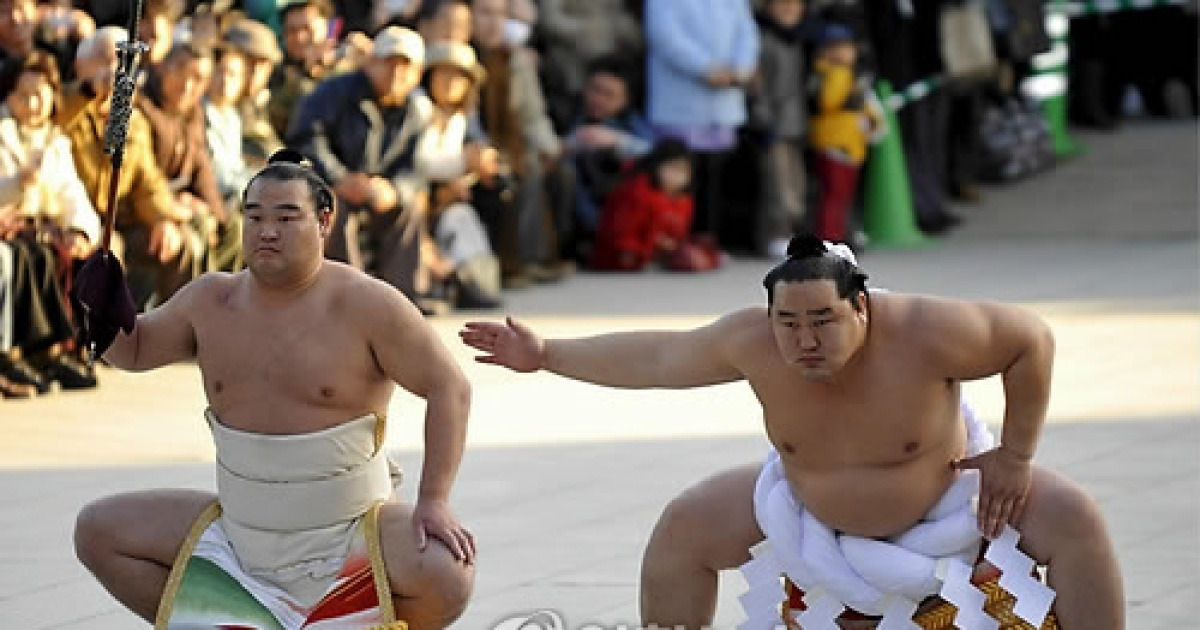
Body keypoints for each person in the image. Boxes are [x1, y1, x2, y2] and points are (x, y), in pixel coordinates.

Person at [460, 235, 1124, 629]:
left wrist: (1016, 454)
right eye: (788, 322)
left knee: (1076, 519)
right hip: (809, 509)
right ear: (768, 314)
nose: (804, 341)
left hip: (950, 502)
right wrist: (546, 354)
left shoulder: (927, 331)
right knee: (684, 527)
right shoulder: (752, 342)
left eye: (823, 321)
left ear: (861, 306)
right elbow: (658, 360)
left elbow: (1030, 342)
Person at [72, 152, 476, 629]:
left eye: (287, 217)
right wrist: (103, 307)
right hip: (241, 532)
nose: (267, 231)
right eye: (255, 216)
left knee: (448, 571)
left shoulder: (368, 303)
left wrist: (434, 499)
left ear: (324, 221)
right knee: (99, 531)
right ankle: (233, 621)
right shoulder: (210, 299)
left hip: (349, 530)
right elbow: (134, 351)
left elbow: (450, 387)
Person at [288, 25, 432, 301]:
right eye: (388, 63)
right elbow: (306, 138)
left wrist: (393, 190)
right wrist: (338, 177)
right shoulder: (332, 92)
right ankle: (350, 298)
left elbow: (414, 169)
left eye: (405, 67)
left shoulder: (414, 114)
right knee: (332, 208)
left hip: (374, 191)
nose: (396, 73)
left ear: (417, 74)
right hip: (325, 183)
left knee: (409, 207)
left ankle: (400, 300)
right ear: (372, 62)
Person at [590, 138, 717, 273]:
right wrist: (656, 243)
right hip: (626, 256)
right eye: (671, 168)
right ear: (656, 166)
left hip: (659, 255)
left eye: (683, 171)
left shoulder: (684, 200)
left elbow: (679, 235)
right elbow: (620, 234)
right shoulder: (637, 192)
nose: (677, 176)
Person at [806, 24, 883, 247]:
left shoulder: (851, 75)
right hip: (835, 144)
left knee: (843, 197)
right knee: (834, 197)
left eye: (846, 48)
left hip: (850, 144)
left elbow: (862, 107)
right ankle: (830, 240)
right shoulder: (834, 73)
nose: (842, 53)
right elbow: (829, 102)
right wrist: (843, 80)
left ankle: (840, 235)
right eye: (834, 48)